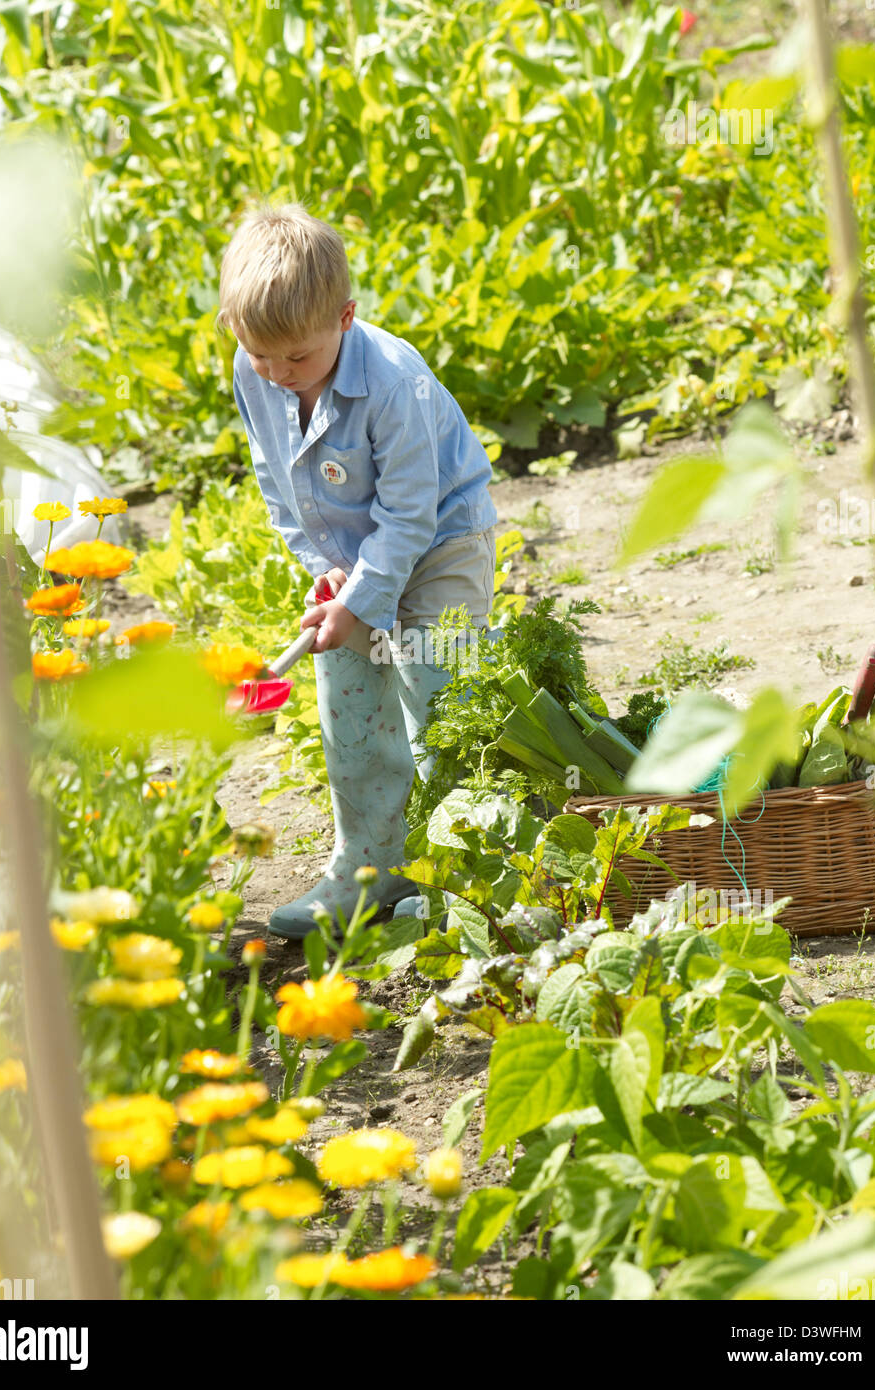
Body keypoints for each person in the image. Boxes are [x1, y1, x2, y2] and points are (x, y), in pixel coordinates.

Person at [218, 202, 497, 938]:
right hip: (349, 556)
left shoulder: (392, 384)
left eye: (297, 359)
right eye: (258, 356)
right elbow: (277, 482)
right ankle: (366, 868)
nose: (278, 375)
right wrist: (330, 572)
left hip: (440, 543)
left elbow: (410, 517)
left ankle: (462, 867)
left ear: (344, 317)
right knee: (351, 707)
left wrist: (370, 594)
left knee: (441, 694)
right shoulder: (260, 373)